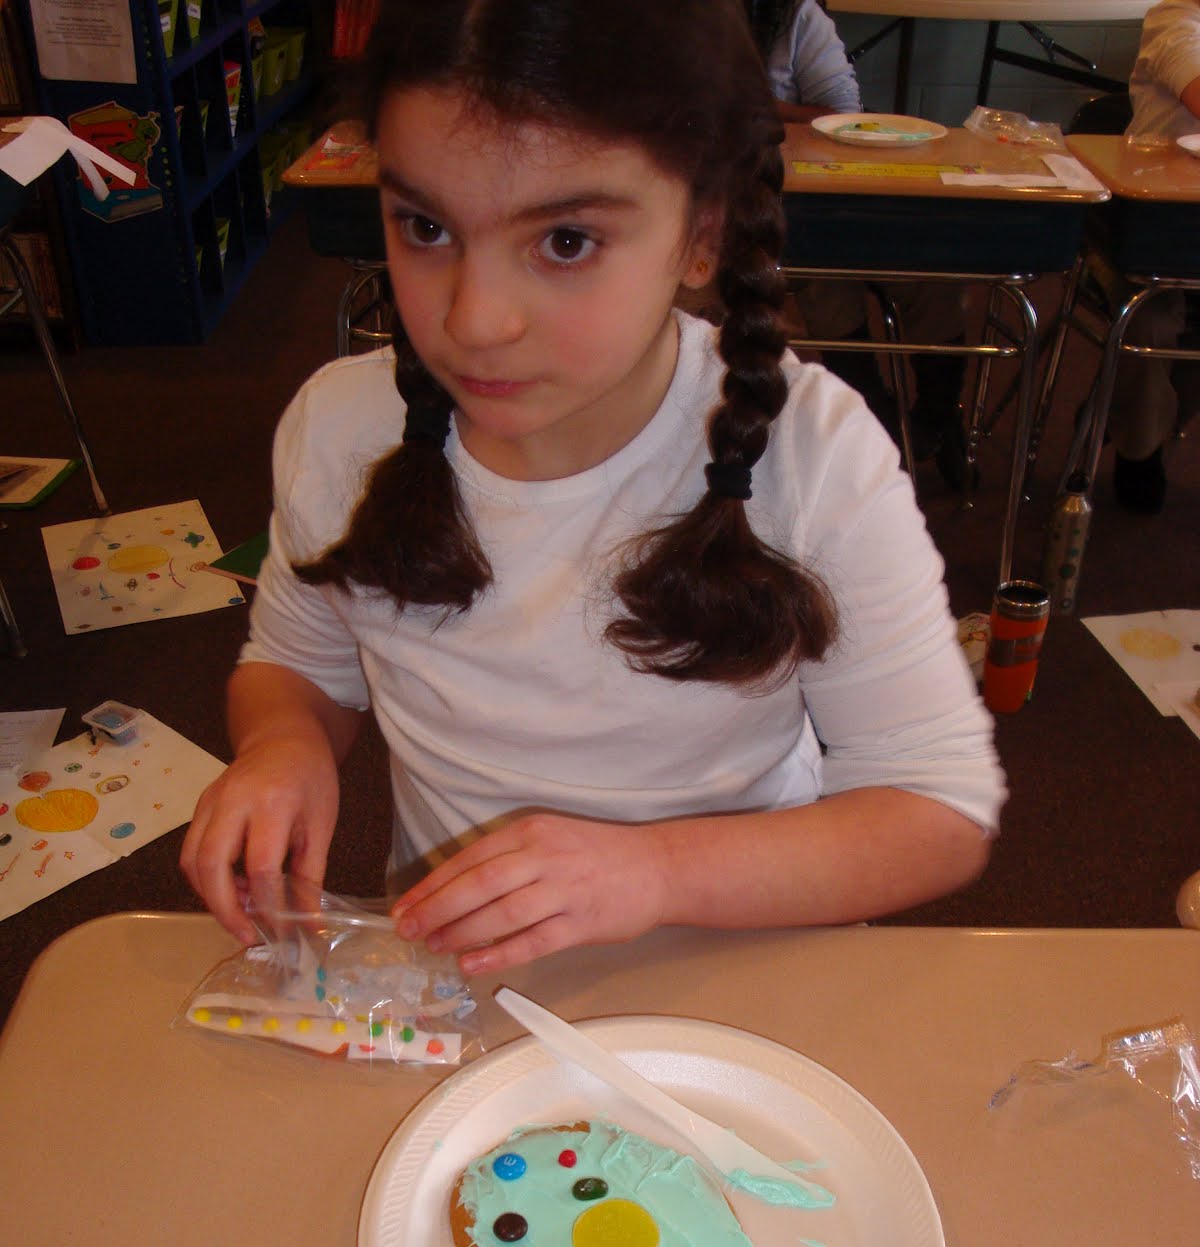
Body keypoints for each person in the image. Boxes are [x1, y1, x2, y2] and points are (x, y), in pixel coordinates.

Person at [181, 0, 1005, 977]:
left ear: (701, 234)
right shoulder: (342, 426)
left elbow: (936, 814)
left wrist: (653, 872)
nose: (476, 320)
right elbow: (297, 665)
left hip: (737, 956)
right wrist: (286, 745)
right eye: (425, 226)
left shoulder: (812, 450)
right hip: (473, 963)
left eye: (566, 241)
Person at [746, 0, 973, 491]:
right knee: (822, 280)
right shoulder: (676, 17)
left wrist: (759, 107)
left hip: (834, 192)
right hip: (757, 208)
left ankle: (937, 413)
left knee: (935, 276)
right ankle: (876, 415)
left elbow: (844, 113)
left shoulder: (798, 16)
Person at [1105, 0, 1200, 512]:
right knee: (1150, 326)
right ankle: (1138, 448)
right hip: (1157, 230)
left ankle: (1126, 413)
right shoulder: (1174, 21)